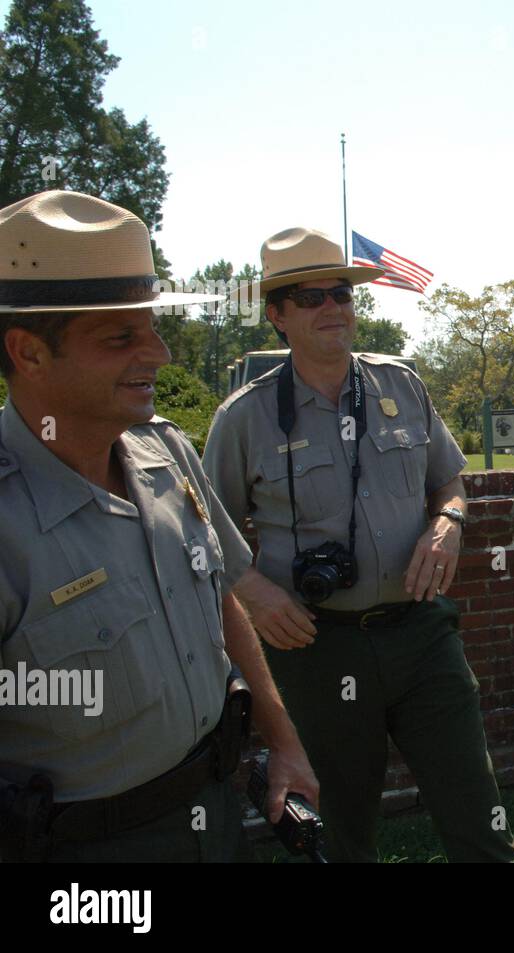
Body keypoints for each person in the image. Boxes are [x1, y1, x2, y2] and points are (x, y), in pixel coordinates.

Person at [0, 190, 317, 862]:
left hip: (215, 810)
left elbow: (221, 596)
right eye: (122, 337)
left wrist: (282, 740)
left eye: (152, 325)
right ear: (28, 353)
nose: (160, 352)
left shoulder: (165, 450)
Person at [203, 227, 514, 863]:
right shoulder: (244, 418)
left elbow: (449, 481)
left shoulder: (401, 386)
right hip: (314, 648)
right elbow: (206, 532)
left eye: (341, 294)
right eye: (309, 297)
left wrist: (449, 522)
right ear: (276, 314)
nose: (332, 308)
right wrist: (253, 589)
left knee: (478, 814)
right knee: (341, 832)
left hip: (421, 636)